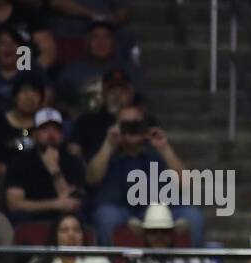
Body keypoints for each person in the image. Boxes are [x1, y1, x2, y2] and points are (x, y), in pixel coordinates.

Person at [86, 104, 200, 245]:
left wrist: (165, 148)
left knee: (193, 216)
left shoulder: (157, 153)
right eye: (126, 125)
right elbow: (91, 179)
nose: (132, 129)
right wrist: (109, 144)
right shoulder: (108, 151)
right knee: (106, 216)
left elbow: (186, 183)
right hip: (119, 208)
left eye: (136, 124)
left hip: (159, 208)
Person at [4, 107, 88, 226]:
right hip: (31, 217)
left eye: (56, 129)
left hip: (63, 218)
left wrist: (54, 169)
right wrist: (55, 204)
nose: (51, 134)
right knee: (19, 217)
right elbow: (15, 204)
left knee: (78, 218)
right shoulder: (20, 161)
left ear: (62, 135)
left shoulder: (72, 160)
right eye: (45, 129)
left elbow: (72, 203)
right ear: (35, 134)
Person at [55, 19, 140, 116]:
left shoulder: (129, 70)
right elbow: (59, 103)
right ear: (87, 41)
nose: (101, 42)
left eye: (106, 36)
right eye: (95, 37)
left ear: (114, 41)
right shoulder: (71, 71)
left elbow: (142, 103)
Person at [0, 69, 41, 184]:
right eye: (24, 92)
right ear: (14, 96)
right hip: (6, 184)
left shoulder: (46, 124)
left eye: (35, 93)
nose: (30, 98)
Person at [67, 68, 135, 162]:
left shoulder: (140, 121)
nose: (117, 96)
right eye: (112, 91)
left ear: (130, 95)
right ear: (103, 94)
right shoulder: (86, 122)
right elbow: (73, 153)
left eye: (122, 92)